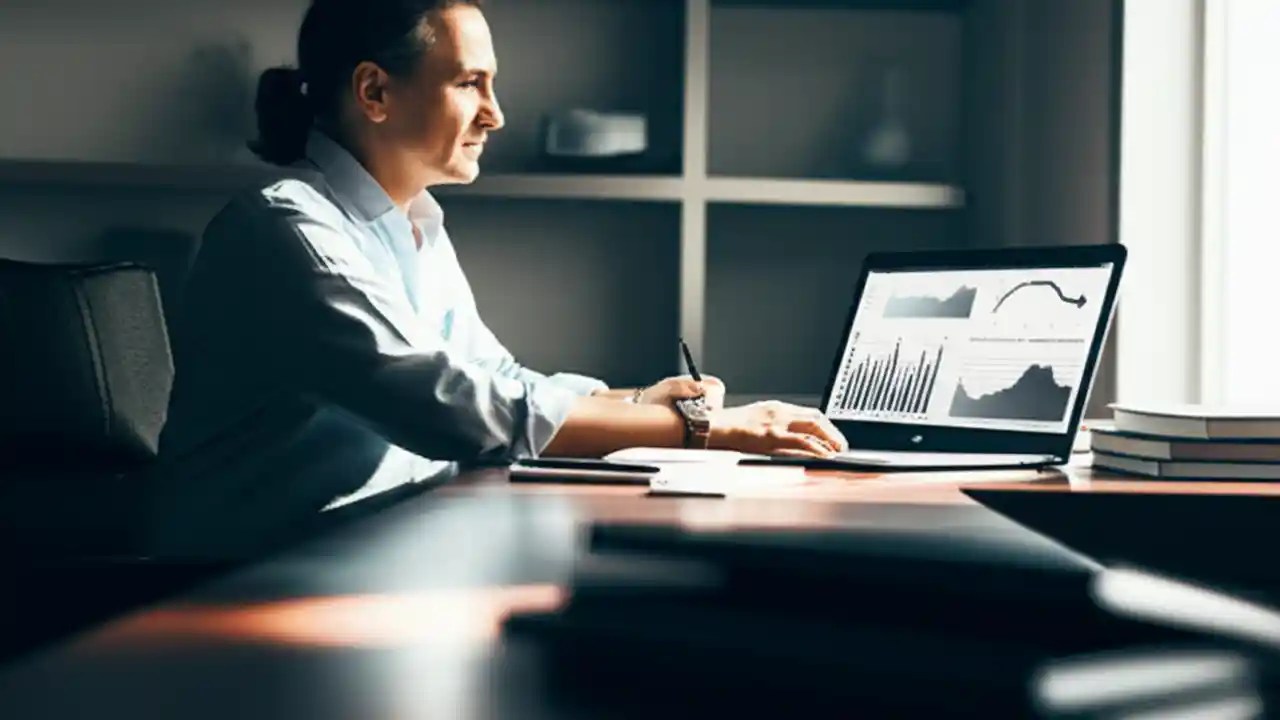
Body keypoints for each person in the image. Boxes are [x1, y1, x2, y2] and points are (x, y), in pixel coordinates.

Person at [152, 0, 847, 553]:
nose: (496, 113)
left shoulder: (414, 223)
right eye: (469, 83)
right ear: (374, 91)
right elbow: (451, 408)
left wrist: (638, 403)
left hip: (377, 546)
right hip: (248, 577)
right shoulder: (286, 230)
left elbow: (493, 375)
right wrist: (702, 430)